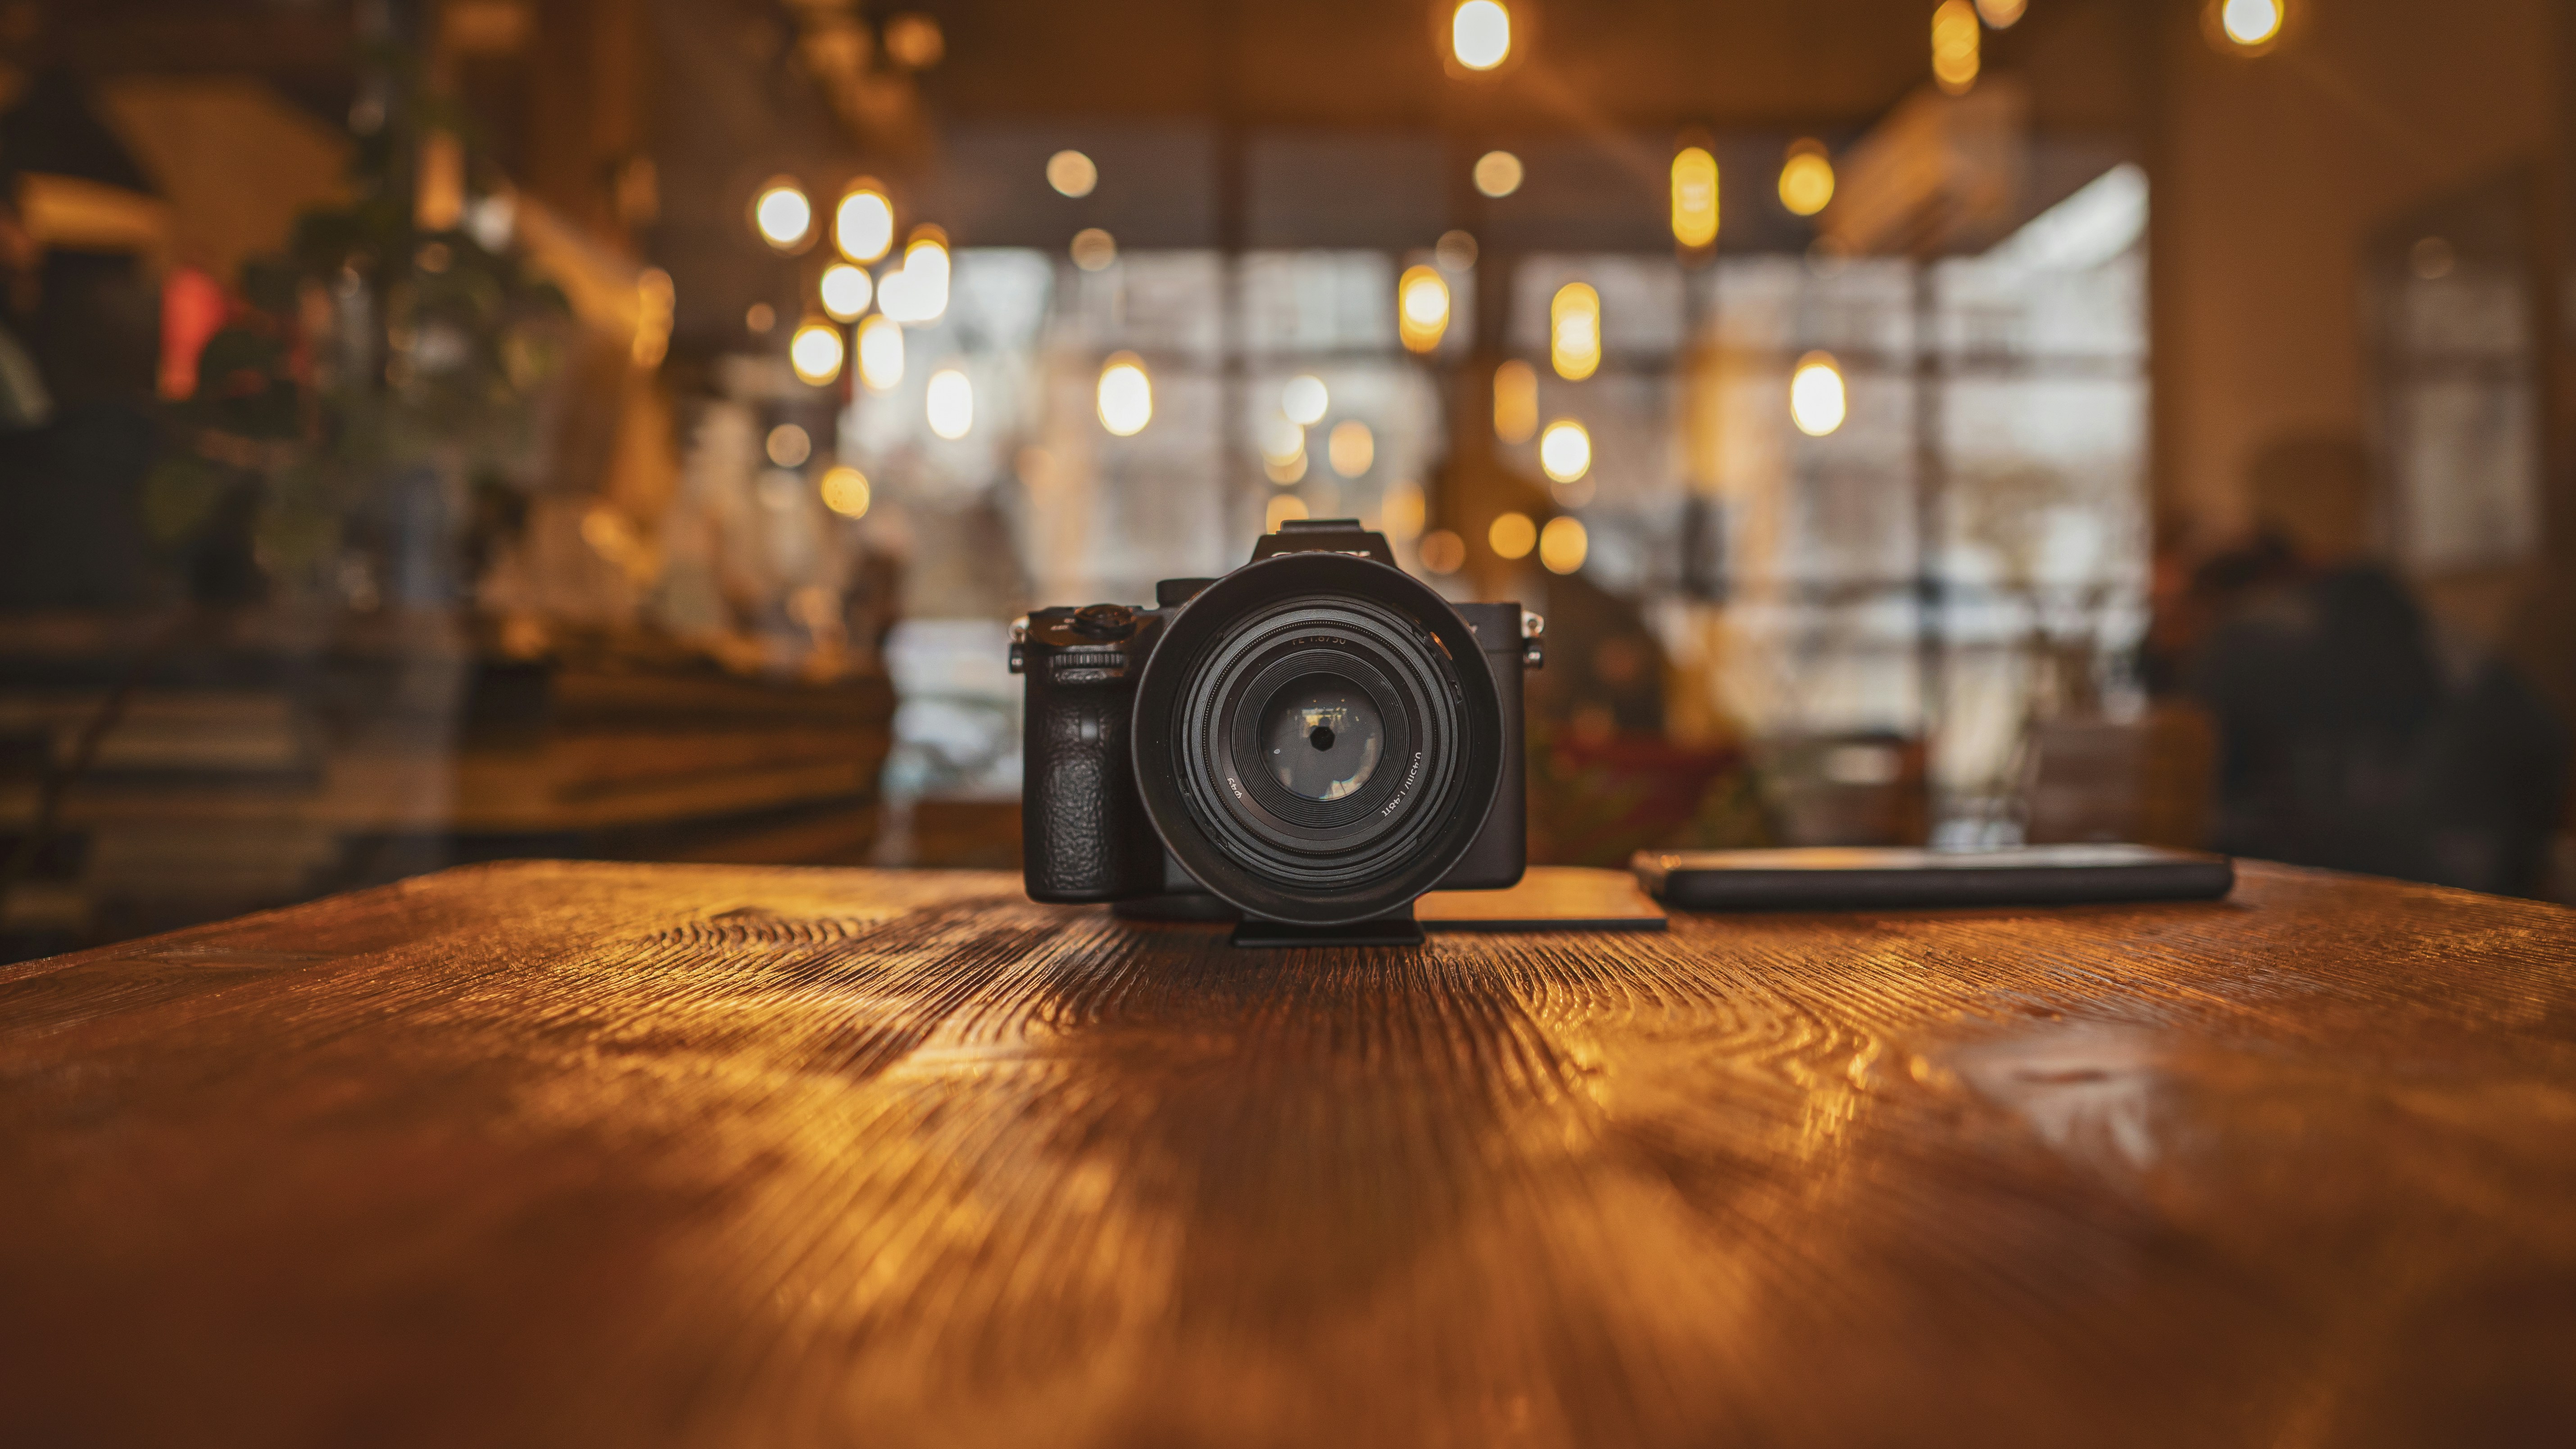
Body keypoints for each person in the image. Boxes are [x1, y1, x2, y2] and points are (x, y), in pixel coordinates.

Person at [2190, 436, 2566, 897]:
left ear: (2266, 519)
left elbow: (2202, 806)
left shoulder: (2244, 644)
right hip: (2462, 899)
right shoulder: (2440, 637)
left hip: (2299, 908)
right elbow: (2540, 758)